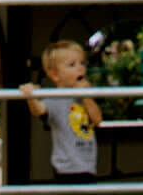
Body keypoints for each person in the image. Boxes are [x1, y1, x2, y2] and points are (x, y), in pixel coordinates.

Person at [19, 39, 102, 183]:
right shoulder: (55, 99)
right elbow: (39, 110)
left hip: (88, 165)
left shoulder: (86, 98)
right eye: (72, 65)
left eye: (82, 63)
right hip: (67, 168)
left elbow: (97, 120)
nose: (80, 68)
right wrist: (30, 97)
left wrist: (86, 96)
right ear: (55, 75)